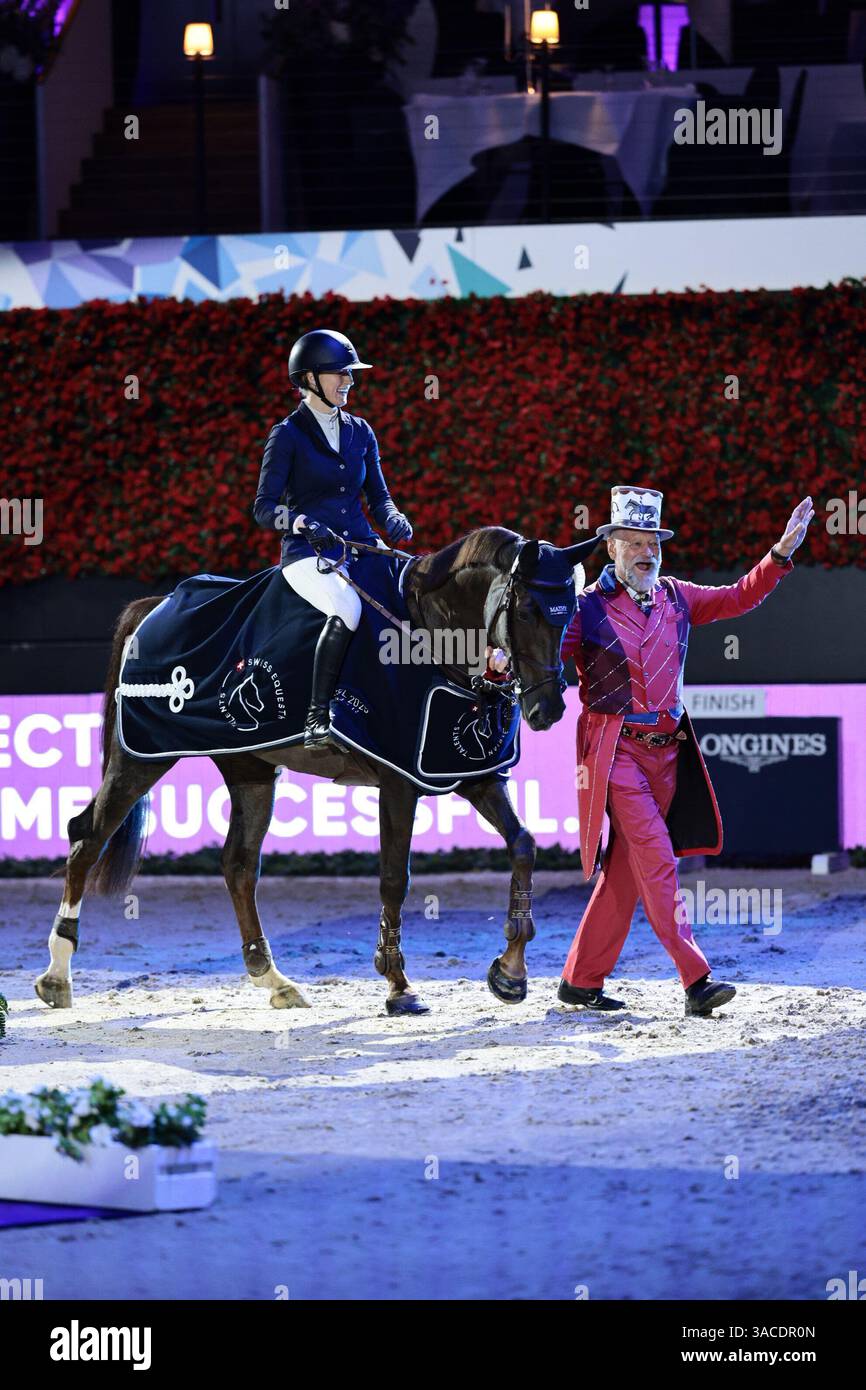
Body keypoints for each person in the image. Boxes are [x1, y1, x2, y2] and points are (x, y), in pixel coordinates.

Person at [558, 485, 814, 1017]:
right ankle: (695, 977)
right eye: (632, 541)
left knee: (626, 873)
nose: (645, 551)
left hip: (668, 754)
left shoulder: (676, 596)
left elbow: (739, 596)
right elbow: (543, 653)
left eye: (652, 540)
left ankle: (580, 982)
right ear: (610, 547)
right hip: (617, 754)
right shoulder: (585, 609)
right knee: (656, 858)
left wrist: (780, 555)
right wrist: (497, 662)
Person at [253, 329, 412, 750]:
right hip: (307, 553)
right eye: (340, 374)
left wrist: (393, 518)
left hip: (359, 546)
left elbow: (379, 497)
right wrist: (301, 521)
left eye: (350, 374)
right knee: (347, 606)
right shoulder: (287, 435)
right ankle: (317, 718)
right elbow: (264, 507)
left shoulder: (361, 431)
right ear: (309, 378)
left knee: (410, 591)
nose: (349, 381)